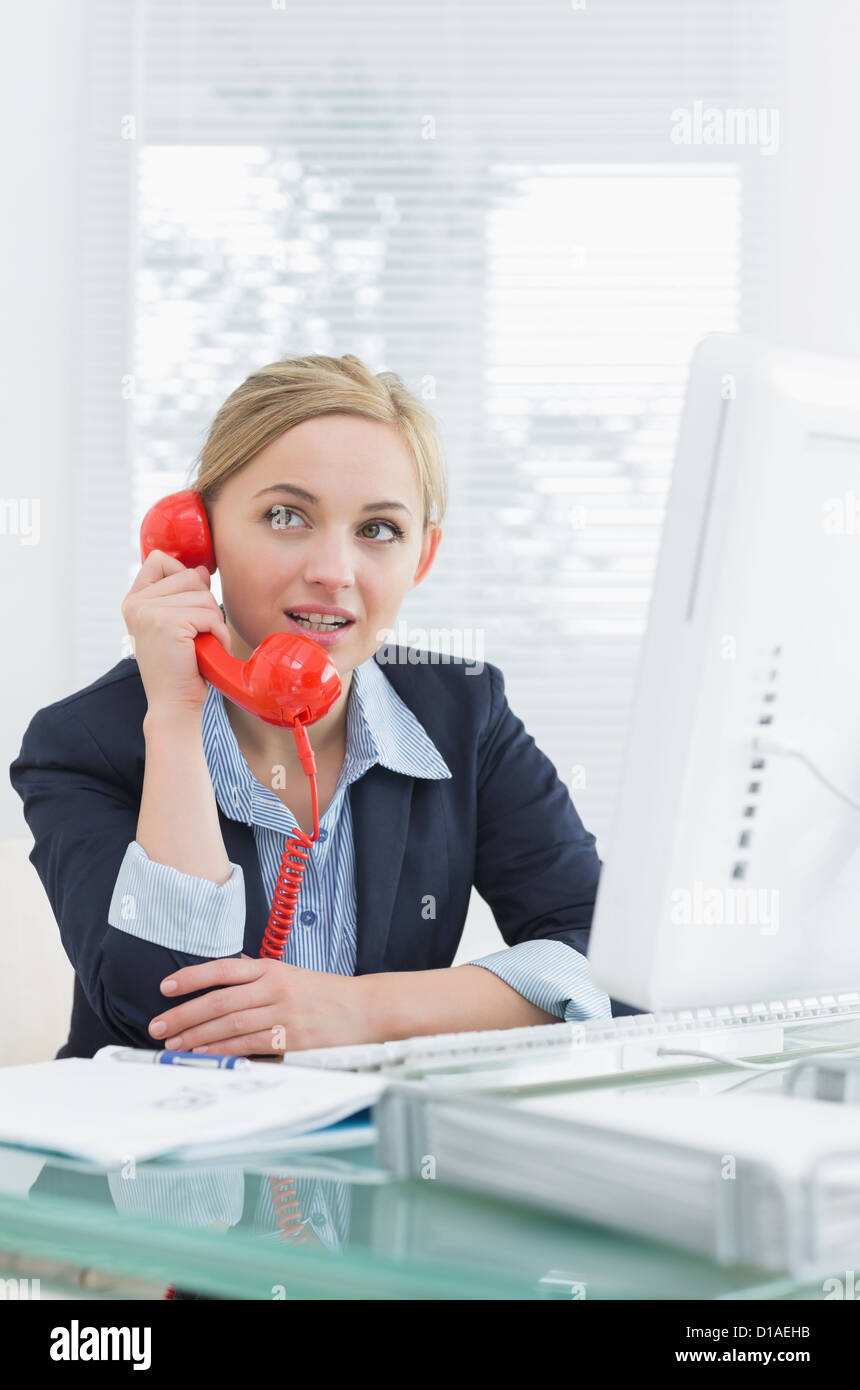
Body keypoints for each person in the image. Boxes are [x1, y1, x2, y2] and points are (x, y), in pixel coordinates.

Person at [9, 352, 619, 1063]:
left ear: (421, 558)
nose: (334, 571)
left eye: (380, 530)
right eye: (286, 515)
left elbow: (611, 963)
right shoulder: (85, 743)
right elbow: (164, 1011)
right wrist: (176, 717)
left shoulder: (464, 712)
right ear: (200, 539)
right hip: (159, 1165)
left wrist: (361, 1010)